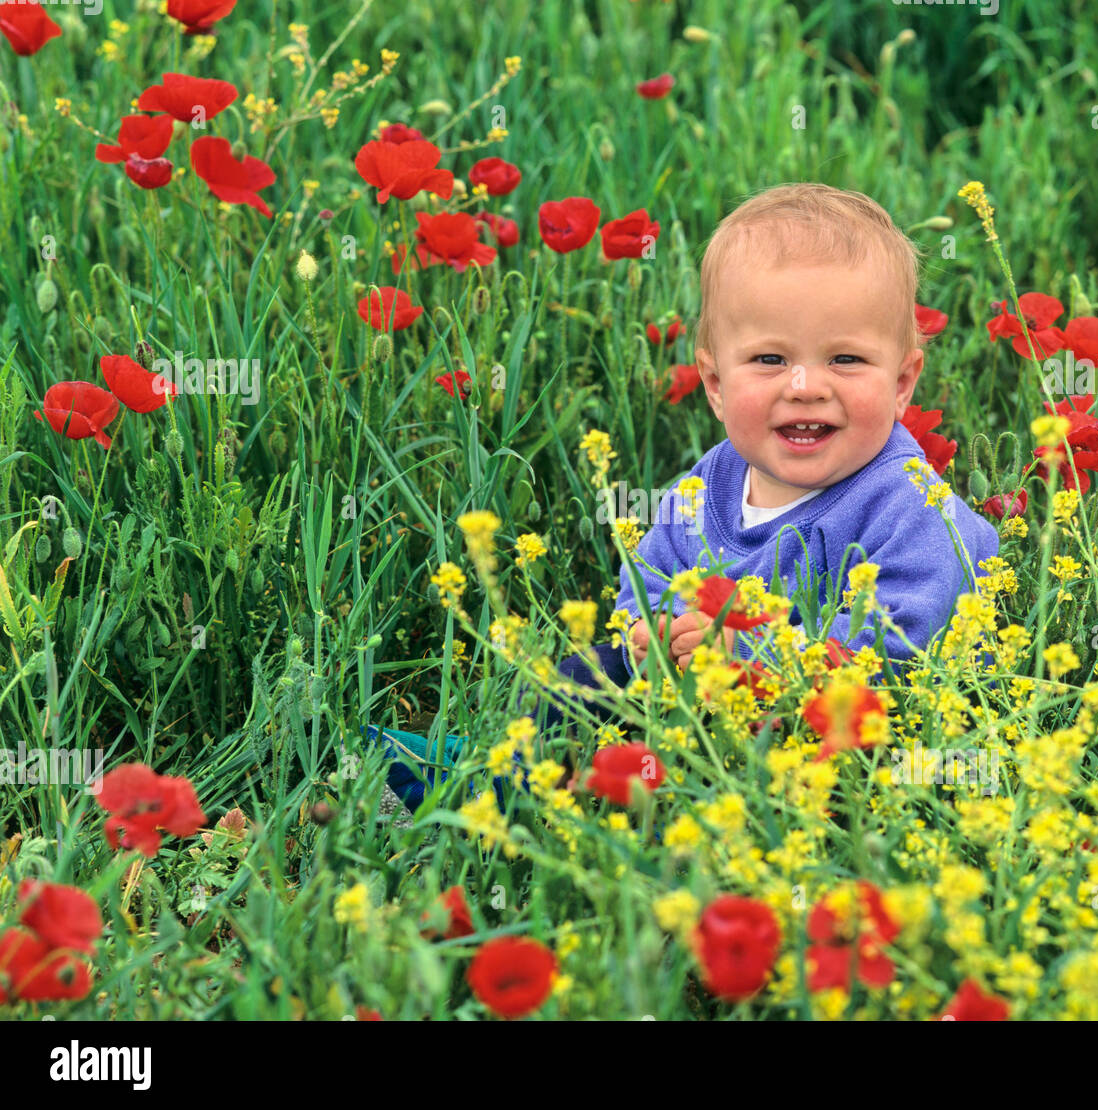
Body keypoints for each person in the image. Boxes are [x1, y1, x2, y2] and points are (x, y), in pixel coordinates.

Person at [372, 182, 1000, 812]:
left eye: (845, 359)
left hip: (842, 729)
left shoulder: (911, 508)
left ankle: (516, 796)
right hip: (698, 702)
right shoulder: (710, 483)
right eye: (770, 359)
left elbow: (903, 651)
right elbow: (648, 574)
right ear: (715, 384)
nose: (806, 386)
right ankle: (498, 785)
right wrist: (647, 632)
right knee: (576, 679)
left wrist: (753, 656)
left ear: (902, 383)